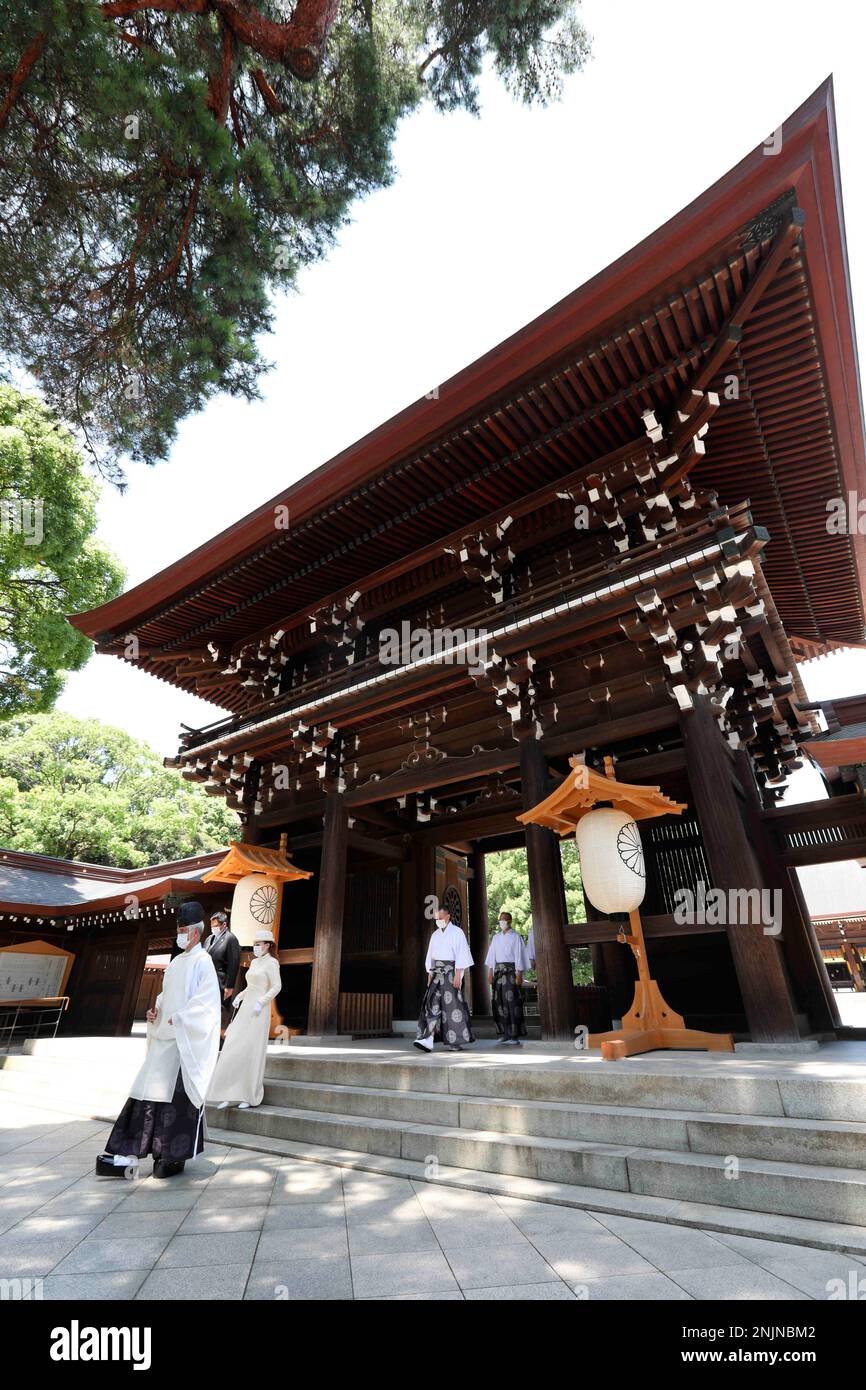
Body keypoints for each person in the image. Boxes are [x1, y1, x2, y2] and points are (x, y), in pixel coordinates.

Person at [96, 901, 221, 1180]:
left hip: (183, 1040)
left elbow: (207, 1003)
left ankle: (171, 1157)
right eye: (178, 929)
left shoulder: (204, 962)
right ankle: (125, 1150)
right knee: (145, 1091)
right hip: (164, 1035)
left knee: (175, 1098)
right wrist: (156, 1011)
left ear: (196, 933)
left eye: (183, 929)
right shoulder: (176, 962)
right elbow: (166, 995)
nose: (179, 933)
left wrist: (186, 1017)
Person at [208, 929, 282, 1110]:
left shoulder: (272, 963)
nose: (256, 947)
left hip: (259, 1010)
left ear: (268, 945)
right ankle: (227, 1093)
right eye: (255, 944)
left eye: (259, 944)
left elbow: (276, 986)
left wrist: (262, 1002)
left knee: (252, 1050)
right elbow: (252, 985)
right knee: (234, 1046)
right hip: (246, 1006)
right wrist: (241, 995)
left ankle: (248, 1095)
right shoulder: (254, 962)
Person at [415, 905, 474, 1053]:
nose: (438, 920)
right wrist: (429, 974)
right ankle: (428, 1039)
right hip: (436, 974)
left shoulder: (457, 932)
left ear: (448, 917)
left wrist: (458, 975)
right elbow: (431, 957)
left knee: (452, 1007)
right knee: (431, 1005)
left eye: (440, 918)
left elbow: (461, 954)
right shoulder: (435, 935)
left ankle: (456, 1042)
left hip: (451, 973)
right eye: (436, 918)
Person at [486, 911, 529, 1046]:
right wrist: (490, 972)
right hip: (498, 973)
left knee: (512, 1002)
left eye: (504, 919)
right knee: (499, 1002)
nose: (502, 922)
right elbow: (491, 956)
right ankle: (504, 1033)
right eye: (500, 919)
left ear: (510, 921)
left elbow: (519, 956)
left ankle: (514, 1035)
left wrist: (519, 974)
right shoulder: (496, 938)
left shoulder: (516, 937)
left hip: (511, 972)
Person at [204, 908, 240, 1036]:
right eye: (212, 926)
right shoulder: (209, 939)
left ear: (224, 925)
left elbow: (234, 963)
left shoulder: (231, 939)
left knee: (221, 1010)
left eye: (216, 926)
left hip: (221, 981)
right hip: (207, 980)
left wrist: (229, 985)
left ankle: (220, 1037)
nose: (214, 928)